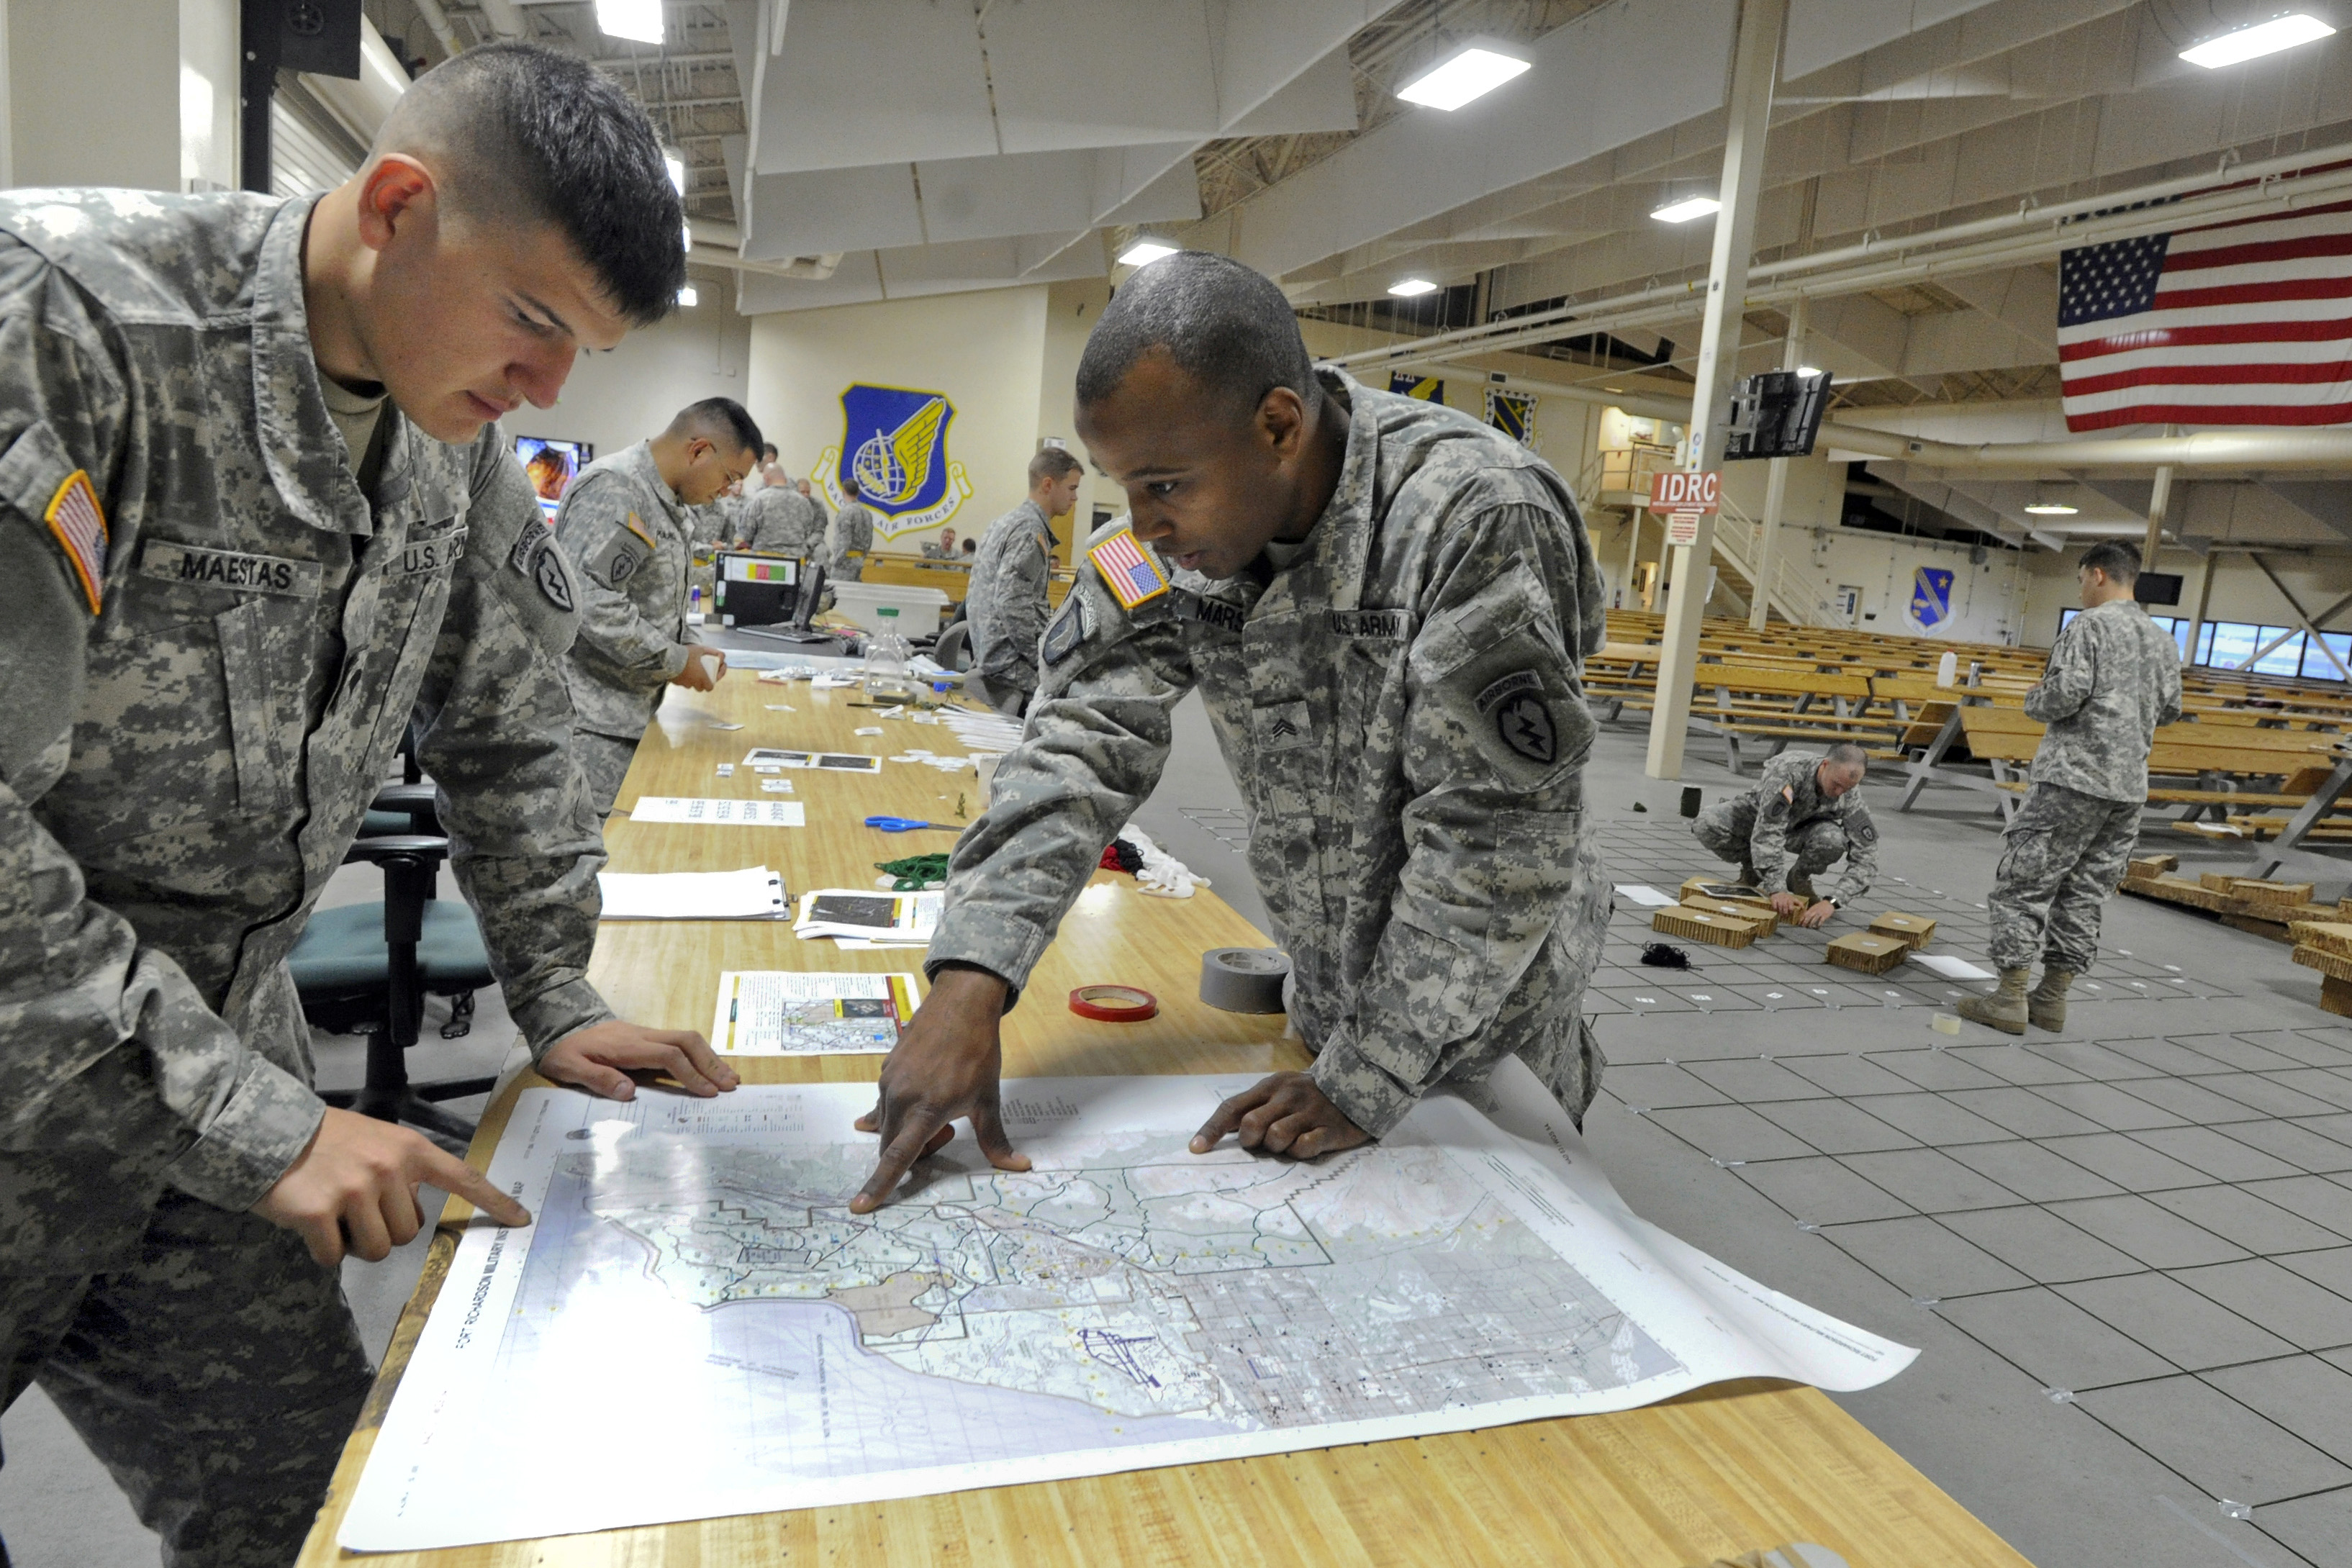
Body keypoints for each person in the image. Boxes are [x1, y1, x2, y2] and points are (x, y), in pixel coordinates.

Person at [0, 40, 743, 1568]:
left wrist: (554, 990)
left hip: (201, 1077)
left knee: (309, 1510)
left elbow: (508, 726)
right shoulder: (65, 318)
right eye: (533, 318)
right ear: (398, 205)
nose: (548, 388)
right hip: (56, 1063)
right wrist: (252, 1116)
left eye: (584, 350)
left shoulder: (446, 434)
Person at [849, 250, 1610, 1213]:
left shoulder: (1471, 513)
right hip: (1330, 1019)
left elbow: (1496, 847)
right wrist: (971, 977)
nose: (1143, 525)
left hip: (1486, 1048)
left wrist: (1364, 1078)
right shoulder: (1172, 541)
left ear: (1279, 426)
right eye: (1121, 486)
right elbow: (1076, 739)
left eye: (1164, 485)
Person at [1958, 542, 2178, 1035]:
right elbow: (2170, 710)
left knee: (2024, 885)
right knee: (2085, 892)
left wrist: (2032, 698)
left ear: (2098, 575)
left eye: (2080, 580)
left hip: (2072, 780)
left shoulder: (2088, 626)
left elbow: (2063, 695)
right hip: (2128, 789)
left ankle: (2010, 998)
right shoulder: (2161, 639)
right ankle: (2052, 999)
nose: (2080, 591)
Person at [555, 398, 760, 816]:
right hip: (589, 726)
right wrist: (676, 660)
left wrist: (689, 647)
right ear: (699, 450)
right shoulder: (617, 489)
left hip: (626, 717)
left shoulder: (664, 500)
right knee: (593, 847)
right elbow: (590, 603)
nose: (727, 491)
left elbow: (651, 597)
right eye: (729, 477)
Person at [1690, 743, 1878, 929]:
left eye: (1847, 788)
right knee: (1707, 823)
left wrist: (1832, 902)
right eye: (1836, 785)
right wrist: (1776, 888)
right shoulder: (1788, 771)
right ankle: (1753, 868)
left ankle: (1799, 877)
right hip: (1756, 819)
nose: (1839, 793)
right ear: (1825, 765)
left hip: (1801, 830)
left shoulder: (1850, 794)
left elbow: (1867, 858)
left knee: (1833, 840)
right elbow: (1768, 830)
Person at [967, 448, 1084, 716]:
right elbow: (1012, 602)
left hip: (990, 657)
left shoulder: (1005, 522)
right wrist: (1042, 659)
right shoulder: (1030, 530)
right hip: (1009, 665)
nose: (1075, 497)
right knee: (1076, 703)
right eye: (1072, 488)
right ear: (1048, 485)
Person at [747, 468, 827, 560]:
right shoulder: (786, 504)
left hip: (810, 543)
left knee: (822, 552)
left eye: (807, 492)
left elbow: (819, 531)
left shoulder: (818, 506)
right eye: (802, 492)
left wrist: (808, 544)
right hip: (789, 544)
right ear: (796, 491)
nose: (805, 495)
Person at [826, 476, 876, 583]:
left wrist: (836, 562)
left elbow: (844, 542)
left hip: (844, 564)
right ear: (858, 492)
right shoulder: (866, 513)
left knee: (839, 592)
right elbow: (869, 540)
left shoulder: (845, 513)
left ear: (843, 491)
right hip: (858, 562)